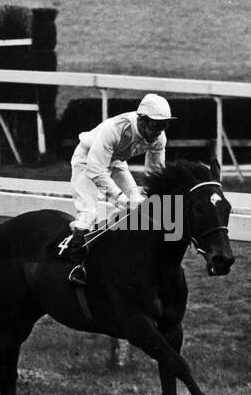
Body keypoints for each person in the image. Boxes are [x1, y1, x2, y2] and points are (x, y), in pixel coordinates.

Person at [60, 94, 175, 285]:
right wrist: (120, 199)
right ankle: (74, 266)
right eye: (155, 125)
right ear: (141, 120)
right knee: (89, 212)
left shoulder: (159, 137)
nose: (159, 132)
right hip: (87, 160)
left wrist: (159, 198)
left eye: (164, 125)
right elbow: (95, 170)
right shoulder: (113, 129)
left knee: (138, 203)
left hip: (115, 161)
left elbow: (155, 173)